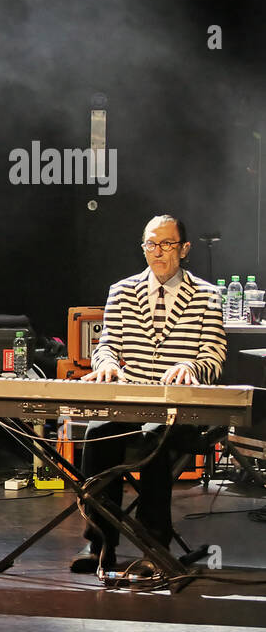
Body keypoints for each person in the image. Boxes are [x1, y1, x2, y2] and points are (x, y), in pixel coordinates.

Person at [74, 214, 225, 573]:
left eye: (167, 244)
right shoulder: (122, 291)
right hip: (131, 399)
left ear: (184, 249)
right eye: (151, 244)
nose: (158, 252)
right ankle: (99, 542)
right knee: (97, 435)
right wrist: (107, 363)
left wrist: (190, 368)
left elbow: (214, 357)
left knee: (156, 440)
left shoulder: (206, 295)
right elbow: (106, 345)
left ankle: (153, 547)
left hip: (179, 408)